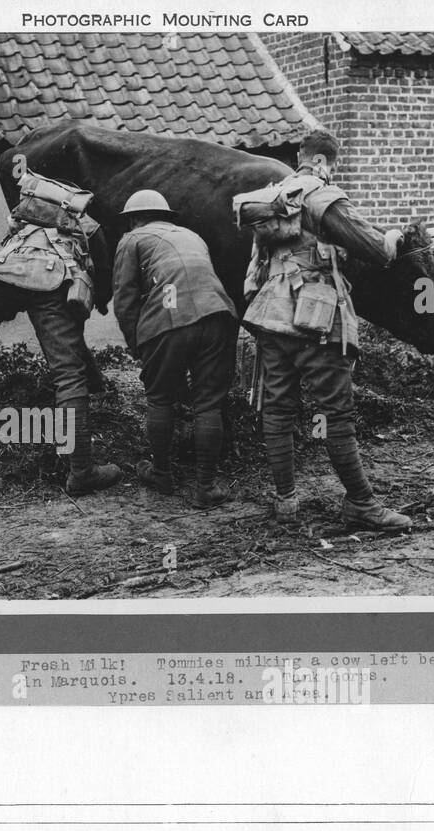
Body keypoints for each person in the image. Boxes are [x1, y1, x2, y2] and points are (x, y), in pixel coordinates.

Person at [234, 128, 412, 531]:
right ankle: (361, 505)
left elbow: (255, 269)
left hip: (270, 316)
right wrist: (397, 237)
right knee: (337, 414)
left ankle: (285, 503)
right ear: (323, 163)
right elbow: (376, 248)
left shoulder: (275, 197)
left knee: (277, 409)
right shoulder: (321, 195)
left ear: (300, 156)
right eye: (332, 166)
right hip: (314, 318)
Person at [0, 188, 121, 496]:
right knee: (68, 374)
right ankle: (82, 472)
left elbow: (8, 240)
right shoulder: (84, 220)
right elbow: (101, 269)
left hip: (3, 274)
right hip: (50, 282)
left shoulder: (25, 210)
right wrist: (99, 297)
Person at [112, 190, 238, 508]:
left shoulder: (132, 238)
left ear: (133, 219)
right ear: (166, 215)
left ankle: (162, 473)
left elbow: (125, 300)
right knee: (208, 403)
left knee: (160, 398)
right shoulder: (191, 235)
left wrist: (136, 344)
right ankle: (206, 487)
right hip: (218, 315)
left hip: (168, 318)